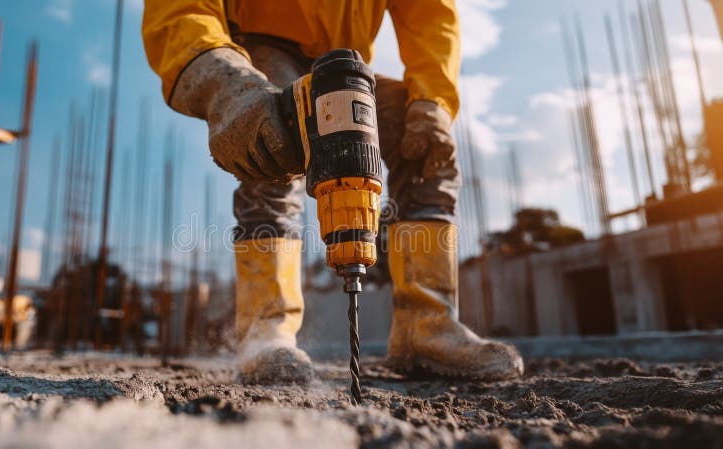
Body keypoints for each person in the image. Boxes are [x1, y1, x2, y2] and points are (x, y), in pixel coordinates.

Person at [142, 0, 523, 383]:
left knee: (428, 146)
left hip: (345, 63)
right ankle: (266, 333)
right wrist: (223, 84)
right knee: (270, 143)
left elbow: (430, 12)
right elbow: (179, 10)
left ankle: (428, 328)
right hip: (261, 47)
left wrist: (432, 100)